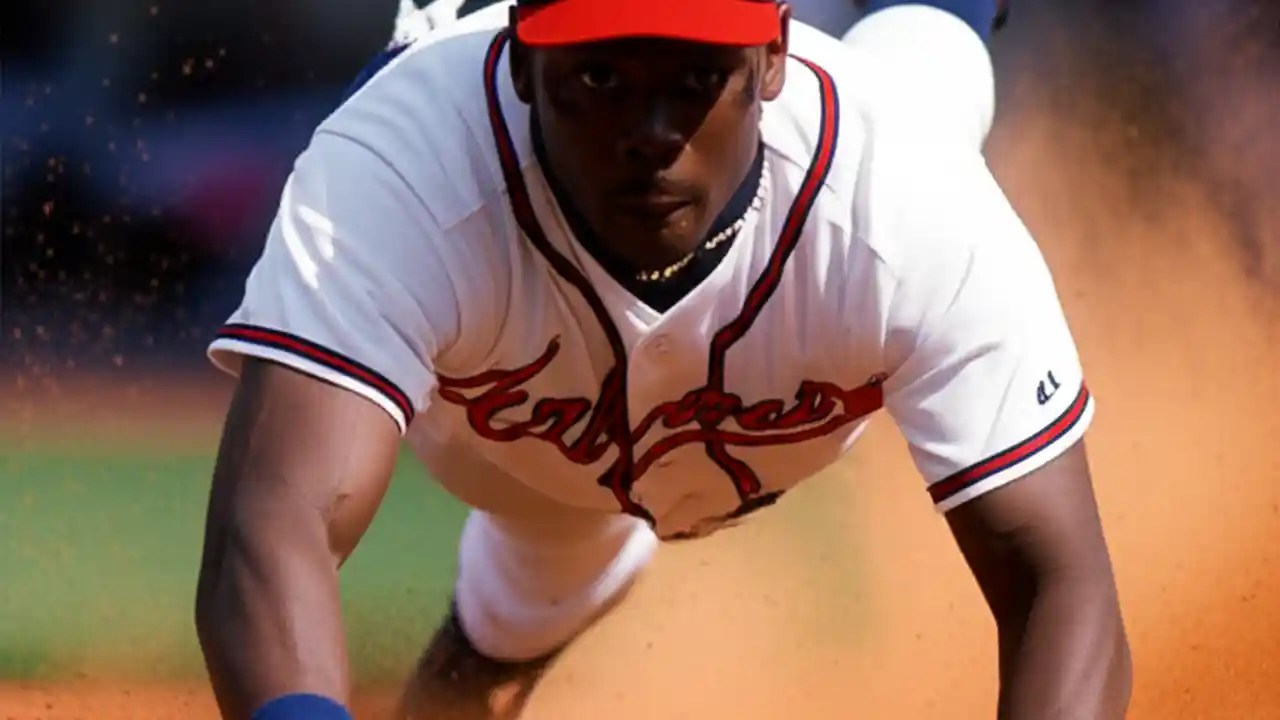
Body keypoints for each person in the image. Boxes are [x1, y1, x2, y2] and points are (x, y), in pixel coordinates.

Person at [193, 1, 1132, 718]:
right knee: (527, 591)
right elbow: (273, 528)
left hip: (817, 286)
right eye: (602, 78)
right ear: (522, 62)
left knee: (931, 58)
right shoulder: (399, 168)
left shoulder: (905, 196)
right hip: (510, 454)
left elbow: (1056, 576)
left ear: (773, 60)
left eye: (692, 78)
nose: (650, 131)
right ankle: (482, 650)